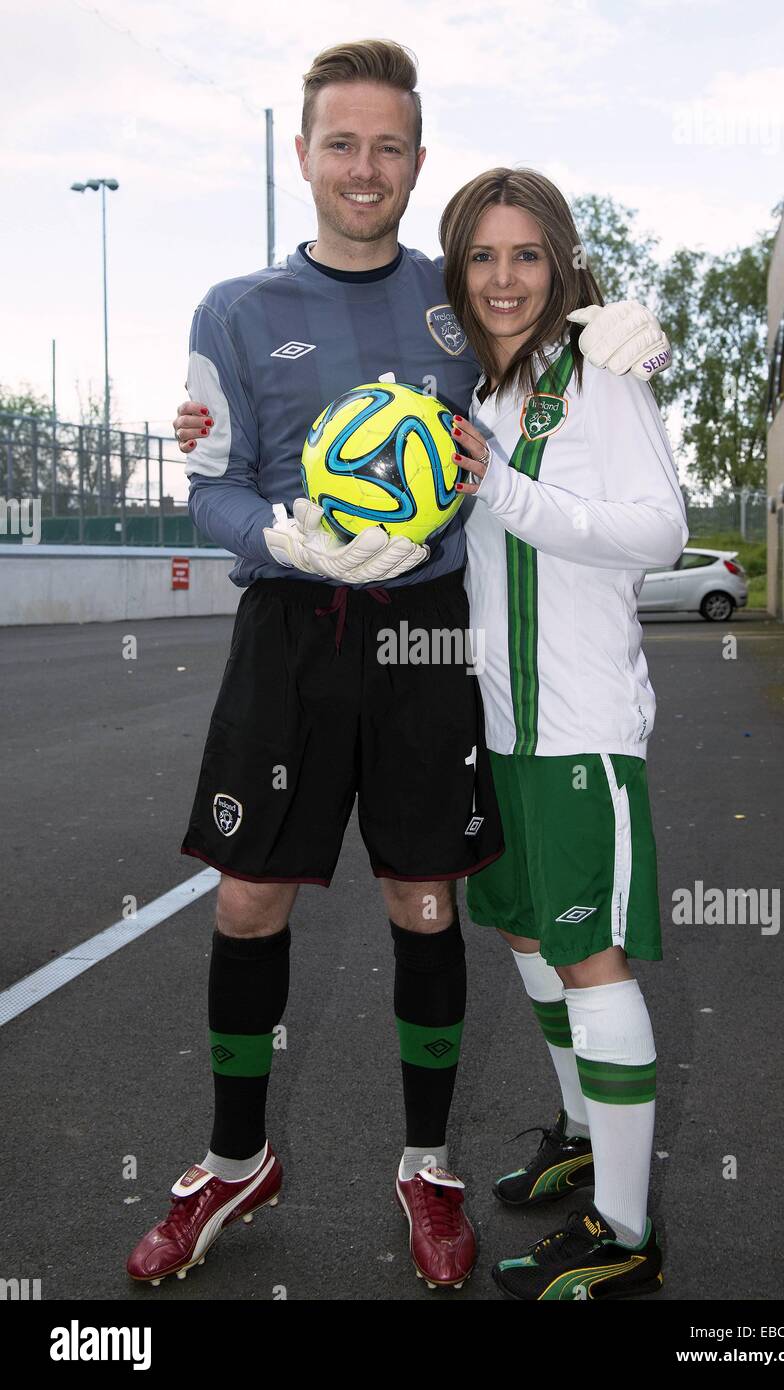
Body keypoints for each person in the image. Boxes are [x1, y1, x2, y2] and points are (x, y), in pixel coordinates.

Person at [154, 40, 673, 1295]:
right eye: (343, 143)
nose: (366, 167)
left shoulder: (455, 296)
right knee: (246, 899)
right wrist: (266, 534)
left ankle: (428, 1164)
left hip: (428, 633)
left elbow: (532, 326)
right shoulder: (234, 309)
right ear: (305, 157)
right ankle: (234, 1161)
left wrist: (617, 334)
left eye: (390, 146)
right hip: (287, 629)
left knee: (429, 899)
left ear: (416, 160)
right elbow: (207, 483)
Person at [439, 167, 688, 1300]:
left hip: (584, 729)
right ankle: (585, 1131)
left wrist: (509, 492)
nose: (503, 278)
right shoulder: (488, 396)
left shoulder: (600, 372)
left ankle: (626, 1230)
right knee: (531, 938)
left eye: (525, 255)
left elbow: (659, 531)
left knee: (591, 955)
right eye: (483, 256)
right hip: (508, 730)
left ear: (562, 263)